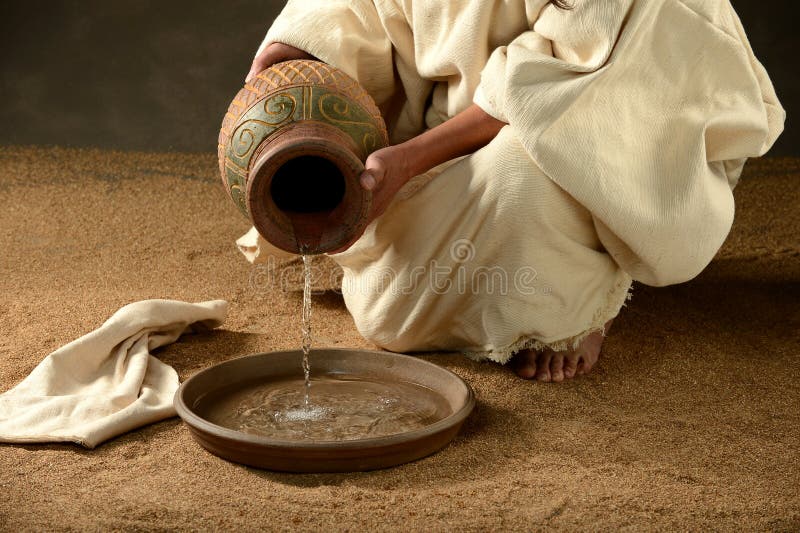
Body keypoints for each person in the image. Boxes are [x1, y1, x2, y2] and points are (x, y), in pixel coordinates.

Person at [237, 0, 784, 382]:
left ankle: (586, 303)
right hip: (451, 130)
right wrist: (297, 49)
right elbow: (360, 8)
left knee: (519, 177)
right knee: (388, 314)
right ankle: (528, 284)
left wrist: (408, 161)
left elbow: (553, 80)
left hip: (606, 126)